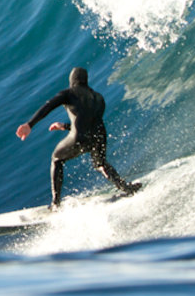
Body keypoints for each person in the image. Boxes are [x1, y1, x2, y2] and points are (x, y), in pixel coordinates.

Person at [16, 66, 140, 210]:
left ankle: (56, 203)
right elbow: (90, 122)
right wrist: (64, 126)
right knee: (100, 164)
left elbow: (48, 106)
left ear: (72, 80)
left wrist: (30, 124)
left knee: (56, 158)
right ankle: (126, 187)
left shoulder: (68, 94)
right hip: (99, 136)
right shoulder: (98, 97)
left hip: (79, 137)